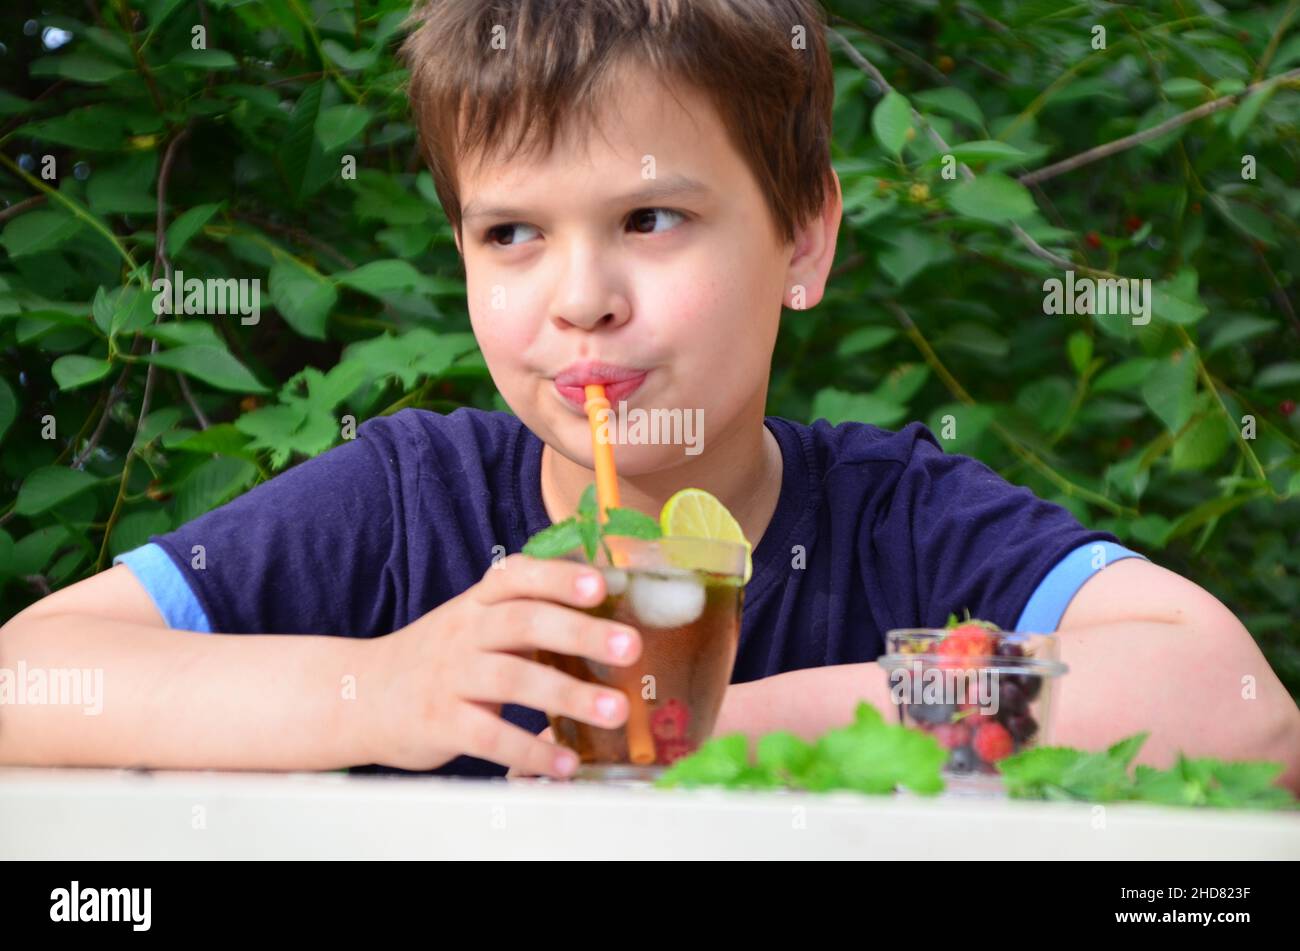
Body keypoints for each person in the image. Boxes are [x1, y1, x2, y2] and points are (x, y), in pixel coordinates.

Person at [3, 0, 1297, 791]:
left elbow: (1232, 709)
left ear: (801, 239)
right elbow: (28, 680)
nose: (581, 297)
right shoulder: (409, 506)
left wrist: (722, 723)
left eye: (651, 216)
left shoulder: (898, 519)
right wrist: (379, 691)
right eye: (511, 234)